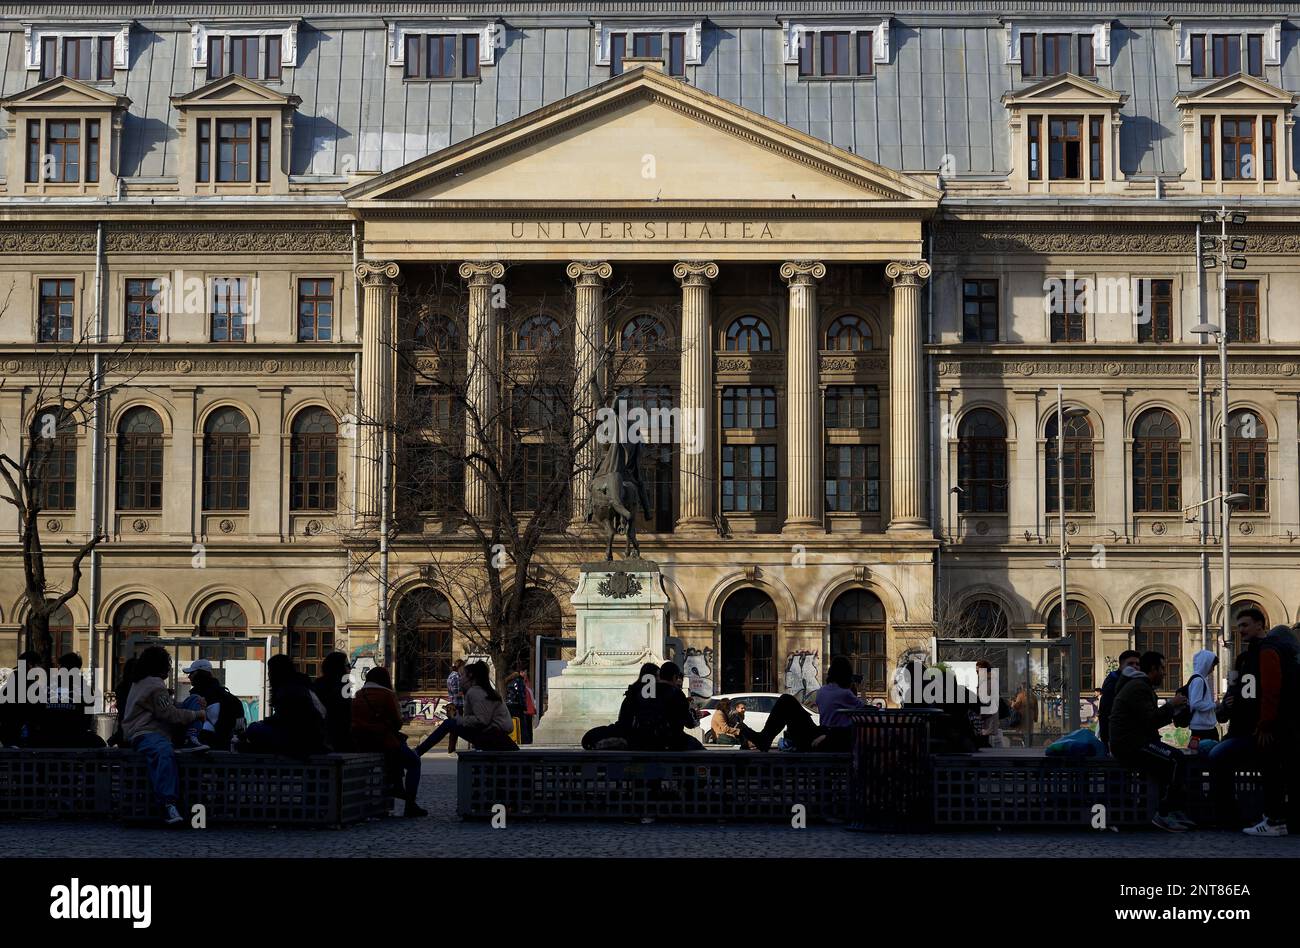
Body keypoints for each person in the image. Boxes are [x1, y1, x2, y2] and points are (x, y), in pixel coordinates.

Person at [1210, 614, 1299, 836]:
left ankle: (1264, 819)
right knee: (1274, 771)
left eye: (1244, 625)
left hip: (1263, 730)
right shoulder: (1252, 656)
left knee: (1222, 757)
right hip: (1267, 728)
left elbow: (1270, 690)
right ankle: (1274, 819)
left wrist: (1266, 723)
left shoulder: (1267, 651)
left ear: (1260, 625)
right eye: (1238, 626)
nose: (1240, 630)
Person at [1107, 650, 1193, 832]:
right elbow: (1150, 720)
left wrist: (1175, 711)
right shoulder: (1139, 687)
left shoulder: (1141, 686)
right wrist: (1171, 705)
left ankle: (1172, 809)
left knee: (1171, 761)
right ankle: (1164, 813)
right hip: (1130, 744)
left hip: (1136, 741)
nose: (1164, 672)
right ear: (1153, 669)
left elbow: (1150, 721)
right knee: (1176, 759)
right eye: (1162, 668)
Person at [120, 646, 207, 825]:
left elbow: (165, 710)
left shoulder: (141, 682)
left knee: (193, 699)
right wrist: (197, 715)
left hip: (141, 732)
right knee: (164, 752)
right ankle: (169, 804)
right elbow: (169, 715)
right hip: (147, 733)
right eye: (167, 664)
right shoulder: (155, 684)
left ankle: (191, 737)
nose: (169, 668)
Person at [351, 666, 425, 817]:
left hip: (361, 742)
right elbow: (398, 723)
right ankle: (410, 804)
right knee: (414, 762)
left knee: (399, 746)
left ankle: (396, 785)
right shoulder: (387, 694)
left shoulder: (359, 694)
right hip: (384, 742)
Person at [415, 662, 518, 753]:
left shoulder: (475, 692)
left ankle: (418, 752)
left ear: (470, 676)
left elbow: (482, 720)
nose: (460, 679)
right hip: (498, 737)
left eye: (463, 675)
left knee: (449, 723)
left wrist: (458, 718)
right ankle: (419, 751)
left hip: (494, 737)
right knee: (451, 723)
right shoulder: (486, 691)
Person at [240, 655, 327, 757]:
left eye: (270, 670)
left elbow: (285, 719)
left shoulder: (287, 689)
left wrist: (267, 721)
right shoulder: (302, 685)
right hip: (310, 736)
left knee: (253, 728)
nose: (268, 674)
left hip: (297, 737)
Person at [31, 652, 104, 748]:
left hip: (48, 739)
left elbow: (37, 714)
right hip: (75, 740)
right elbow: (88, 718)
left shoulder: (47, 686)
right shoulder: (85, 689)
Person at [581, 662, 658, 749]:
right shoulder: (644, 694)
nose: (659, 679)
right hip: (629, 733)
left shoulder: (635, 691)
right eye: (657, 676)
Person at [627, 661, 702, 751]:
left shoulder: (645, 692)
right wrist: (694, 714)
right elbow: (689, 723)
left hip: (645, 741)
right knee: (701, 752)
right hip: (671, 742)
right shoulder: (677, 693)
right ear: (675, 677)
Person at [182, 662, 246, 751]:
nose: (189, 677)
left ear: (199, 674)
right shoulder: (232, 699)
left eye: (191, 673)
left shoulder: (196, 699)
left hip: (200, 748)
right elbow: (239, 727)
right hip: (225, 749)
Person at [1098, 650, 1141, 750]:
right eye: (1130, 664)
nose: (1134, 666)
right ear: (1121, 665)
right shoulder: (1113, 683)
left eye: (1137, 664)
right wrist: (1107, 740)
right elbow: (1106, 713)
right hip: (1119, 740)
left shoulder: (1132, 681)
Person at [313, 652, 355, 752]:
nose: (350, 668)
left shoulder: (318, 684)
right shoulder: (344, 686)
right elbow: (346, 714)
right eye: (347, 665)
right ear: (339, 667)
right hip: (338, 737)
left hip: (320, 737)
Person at [1185, 649, 1219, 744]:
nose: (1213, 669)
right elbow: (1196, 703)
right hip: (1203, 729)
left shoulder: (1200, 678)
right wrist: (1214, 705)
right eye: (1212, 665)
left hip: (1202, 727)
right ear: (1205, 664)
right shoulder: (1199, 680)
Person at [505, 669, 533, 745]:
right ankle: (524, 741)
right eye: (525, 672)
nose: (526, 674)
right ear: (521, 672)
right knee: (522, 725)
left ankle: (513, 739)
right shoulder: (519, 681)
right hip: (517, 706)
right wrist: (524, 707)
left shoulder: (510, 681)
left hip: (510, 706)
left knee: (513, 723)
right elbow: (520, 695)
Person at [444, 659, 465, 754]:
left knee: (453, 727)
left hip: (452, 704)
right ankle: (451, 748)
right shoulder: (456, 676)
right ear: (460, 667)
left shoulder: (450, 676)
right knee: (456, 727)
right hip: (457, 705)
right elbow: (457, 692)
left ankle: (451, 747)